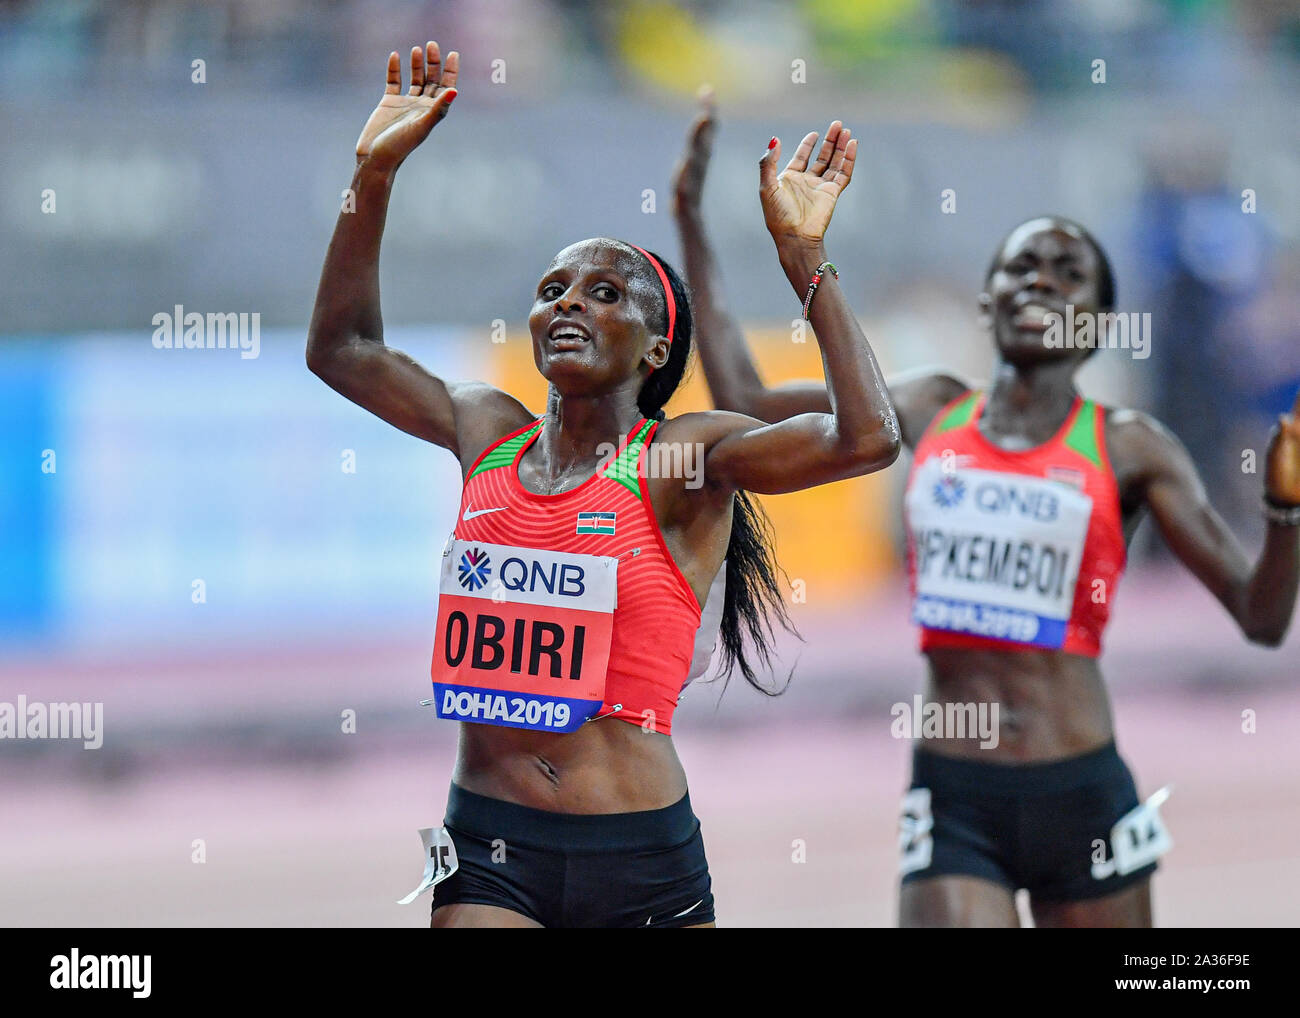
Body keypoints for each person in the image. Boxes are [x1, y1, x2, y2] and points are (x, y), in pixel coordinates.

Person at [306, 43, 900, 928]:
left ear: (658, 348)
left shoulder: (681, 459)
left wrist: (804, 258)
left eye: (606, 292)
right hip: (491, 848)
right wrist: (374, 174)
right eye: (554, 289)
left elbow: (867, 438)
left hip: (638, 860)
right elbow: (342, 351)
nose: (570, 303)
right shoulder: (486, 430)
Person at [670, 96, 1300, 928]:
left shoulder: (1130, 447)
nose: (1040, 280)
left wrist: (1285, 509)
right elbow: (745, 398)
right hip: (956, 794)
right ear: (987, 301)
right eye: (1020, 265)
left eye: (1067, 272)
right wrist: (695, 229)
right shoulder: (930, 406)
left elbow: (1261, 617)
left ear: (1098, 321)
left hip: (1082, 790)